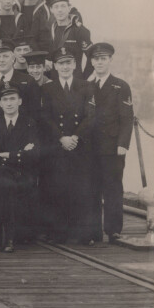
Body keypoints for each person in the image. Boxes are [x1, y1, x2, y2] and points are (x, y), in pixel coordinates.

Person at [0, 82, 43, 252]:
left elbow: (34, 155)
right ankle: (9, 239)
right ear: (0, 103)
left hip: (24, 175)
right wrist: (18, 154)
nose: (9, 103)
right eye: (5, 99)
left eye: (13, 98)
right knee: (5, 182)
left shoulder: (29, 123)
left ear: (20, 101)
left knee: (4, 181)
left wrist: (7, 155)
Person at [40, 45, 97, 244]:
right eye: (60, 63)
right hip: (57, 145)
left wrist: (75, 137)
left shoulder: (86, 86)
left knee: (81, 189)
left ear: (74, 64)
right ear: (55, 66)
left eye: (68, 63)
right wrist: (61, 137)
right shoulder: (47, 88)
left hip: (79, 145)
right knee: (56, 188)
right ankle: (57, 232)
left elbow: (90, 116)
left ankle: (82, 234)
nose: (65, 67)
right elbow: (45, 117)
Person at [86, 42, 135, 241]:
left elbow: (127, 118)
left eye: (103, 59)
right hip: (89, 147)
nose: (100, 62)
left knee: (113, 188)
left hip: (112, 147)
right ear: (91, 61)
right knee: (91, 188)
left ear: (110, 60)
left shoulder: (120, 86)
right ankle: (93, 231)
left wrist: (123, 144)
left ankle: (113, 230)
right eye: (96, 59)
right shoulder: (85, 85)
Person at [39, 0, 94, 78]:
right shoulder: (51, 29)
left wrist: (83, 79)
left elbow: (92, 57)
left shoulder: (80, 30)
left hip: (75, 82)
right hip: (55, 81)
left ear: (69, 8)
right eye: (56, 7)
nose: (60, 10)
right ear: (51, 10)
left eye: (63, 6)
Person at [0, 38, 42, 124]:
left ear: (13, 58)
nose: (1, 60)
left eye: (5, 56)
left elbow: (35, 114)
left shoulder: (28, 81)